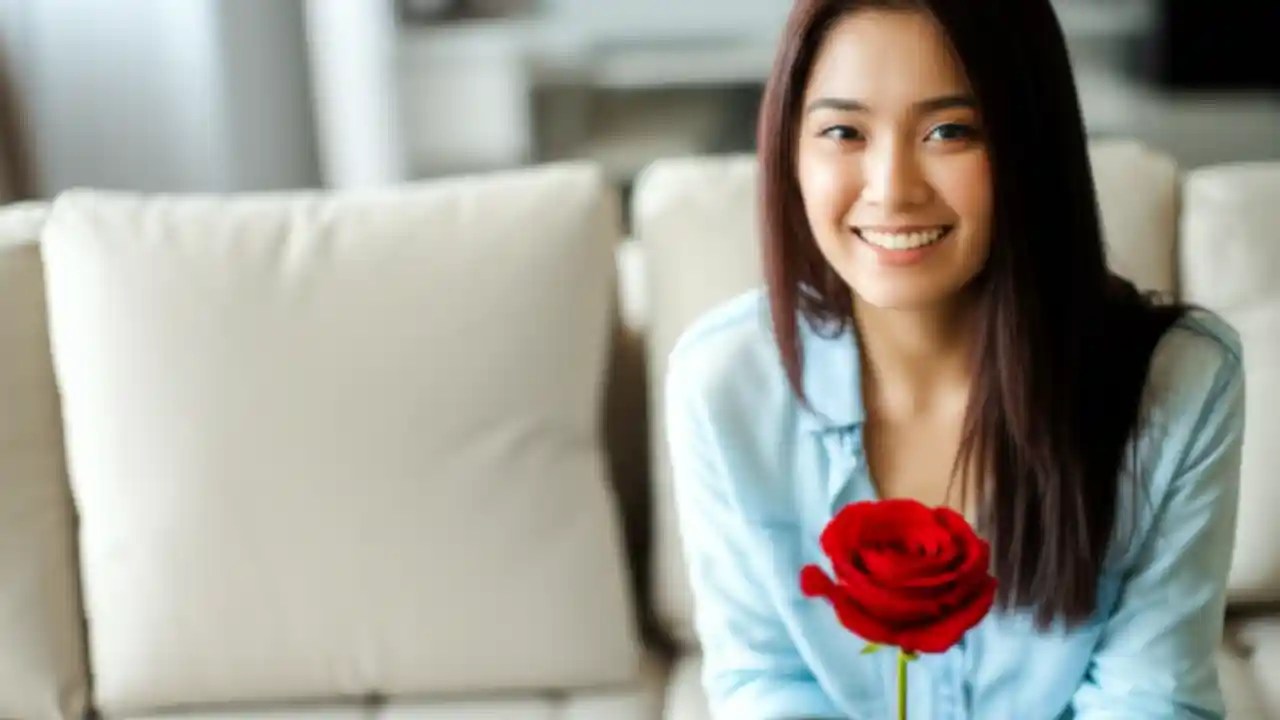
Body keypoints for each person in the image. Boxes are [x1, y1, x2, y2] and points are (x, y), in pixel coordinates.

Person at [663, 0, 1246, 717]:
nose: (893, 189)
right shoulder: (725, 384)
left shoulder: (1180, 384)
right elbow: (765, 684)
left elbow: (1151, 700)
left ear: (1029, 143)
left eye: (950, 131)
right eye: (843, 131)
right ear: (791, 152)